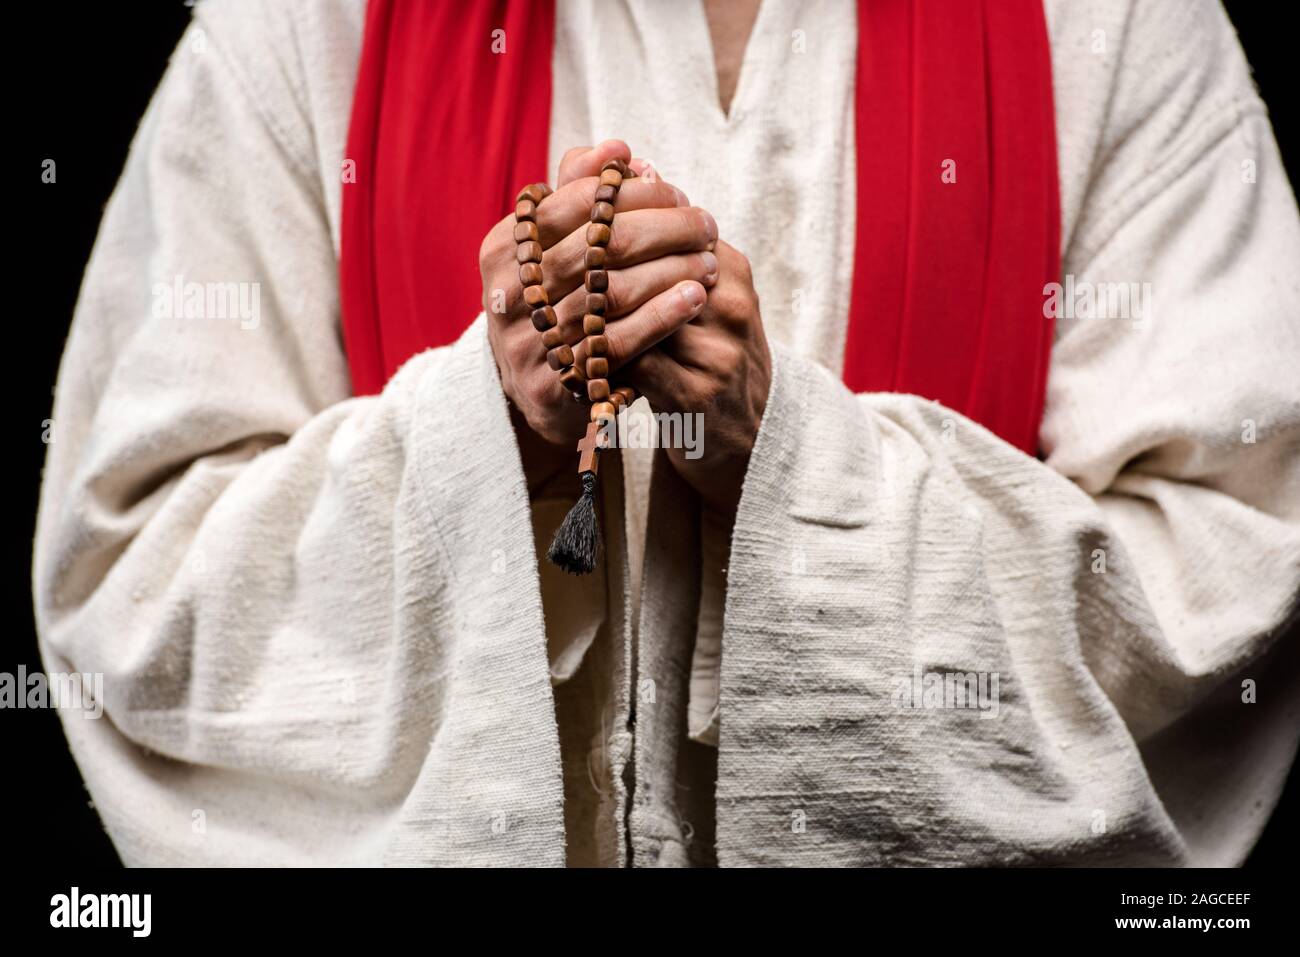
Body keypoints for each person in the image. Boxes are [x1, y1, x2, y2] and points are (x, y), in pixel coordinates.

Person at [34, 0, 1300, 867]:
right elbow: (136, 589)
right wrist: (490, 431)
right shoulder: (300, 25)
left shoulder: (1119, 26)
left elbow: (1237, 570)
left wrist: (786, 456)